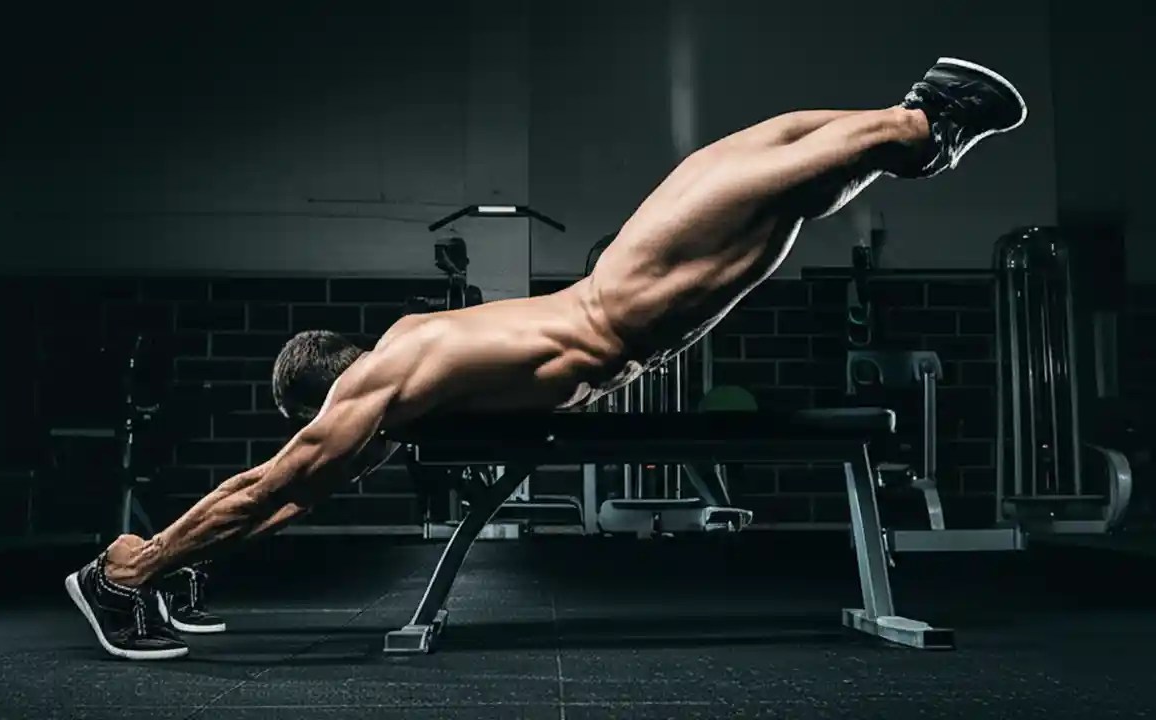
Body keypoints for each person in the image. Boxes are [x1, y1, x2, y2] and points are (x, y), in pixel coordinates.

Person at [66, 57, 1027, 659]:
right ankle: (916, 120)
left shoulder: (379, 385)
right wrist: (186, 558)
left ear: (324, 391)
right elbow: (285, 500)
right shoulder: (403, 350)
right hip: (620, 295)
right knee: (784, 178)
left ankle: (924, 122)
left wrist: (140, 562)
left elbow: (272, 487)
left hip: (623, 308)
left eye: (316, 419)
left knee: (789, 179)